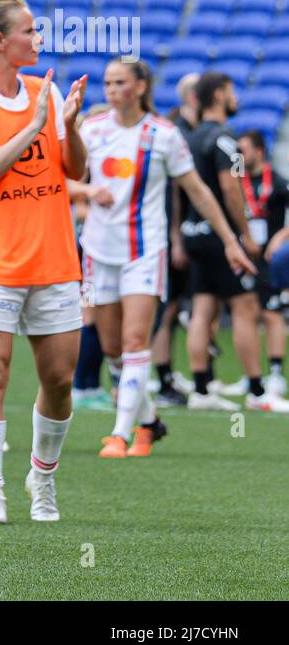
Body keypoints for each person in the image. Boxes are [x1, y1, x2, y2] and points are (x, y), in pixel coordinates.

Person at [0, 0, 86, 526]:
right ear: (0, 42)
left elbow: (73, 170)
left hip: (53, 259)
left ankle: (42, 479)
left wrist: (66, 124)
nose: (39, 40)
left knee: (59, 380)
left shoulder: (43, 92)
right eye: (30, 31)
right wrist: (32, 127)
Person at [79, 60, 256, 458]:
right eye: (107, 83)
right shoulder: (91, 130)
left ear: (140, 87)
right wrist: (87, 193)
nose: (110, 89)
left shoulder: (163, 134)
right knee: (111, 347)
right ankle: (149, 422)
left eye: (119, 82)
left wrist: (231, 240)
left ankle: (120, 434)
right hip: (97, 251)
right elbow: (63, 179)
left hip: (145, 251)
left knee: (136, 339)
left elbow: (197, 190)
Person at [178, 73, 289, 412]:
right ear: (218, 96)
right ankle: (257, 392)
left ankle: (200, 389)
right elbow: (231, 187)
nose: (235, 97)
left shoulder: (190, 138)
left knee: (202, 307)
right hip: (219, 237)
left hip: (193, 234)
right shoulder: (225, 140)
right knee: (245, 308)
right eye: (231, 91)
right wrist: (241, 236)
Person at [215, 130, 289, 399]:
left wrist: (279, 238)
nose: (239, 156)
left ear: (259, 151)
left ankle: (277, 374)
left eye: (243, 151)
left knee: (271, 313)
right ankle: (250, 375)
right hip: (243, 256)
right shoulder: (234, 181)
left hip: (269, 259)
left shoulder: (278, 182)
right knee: (244, 313)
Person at [152, 72, 204, 404]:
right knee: (168, 307)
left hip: (188, 232)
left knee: (187, 305)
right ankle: (163, 378)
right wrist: (176, 238)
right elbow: (172, 192)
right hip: (173, 234)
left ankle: (183, 378)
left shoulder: (192, 131)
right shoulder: (175, 131)